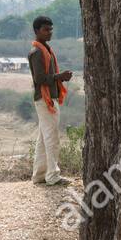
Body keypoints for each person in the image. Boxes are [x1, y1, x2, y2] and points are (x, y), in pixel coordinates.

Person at [28, 15, 73, 186]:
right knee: (52, 137)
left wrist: (58, 78)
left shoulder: (45, 49)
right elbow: (39, 79)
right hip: (45, 99)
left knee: (43, 138)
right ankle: (53, 176)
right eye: (46, 29)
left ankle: (39, 175)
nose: (49, 33)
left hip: (48, 98)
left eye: (51, 29)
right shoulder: (37, 52)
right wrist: (59, 77)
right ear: (37, 31)